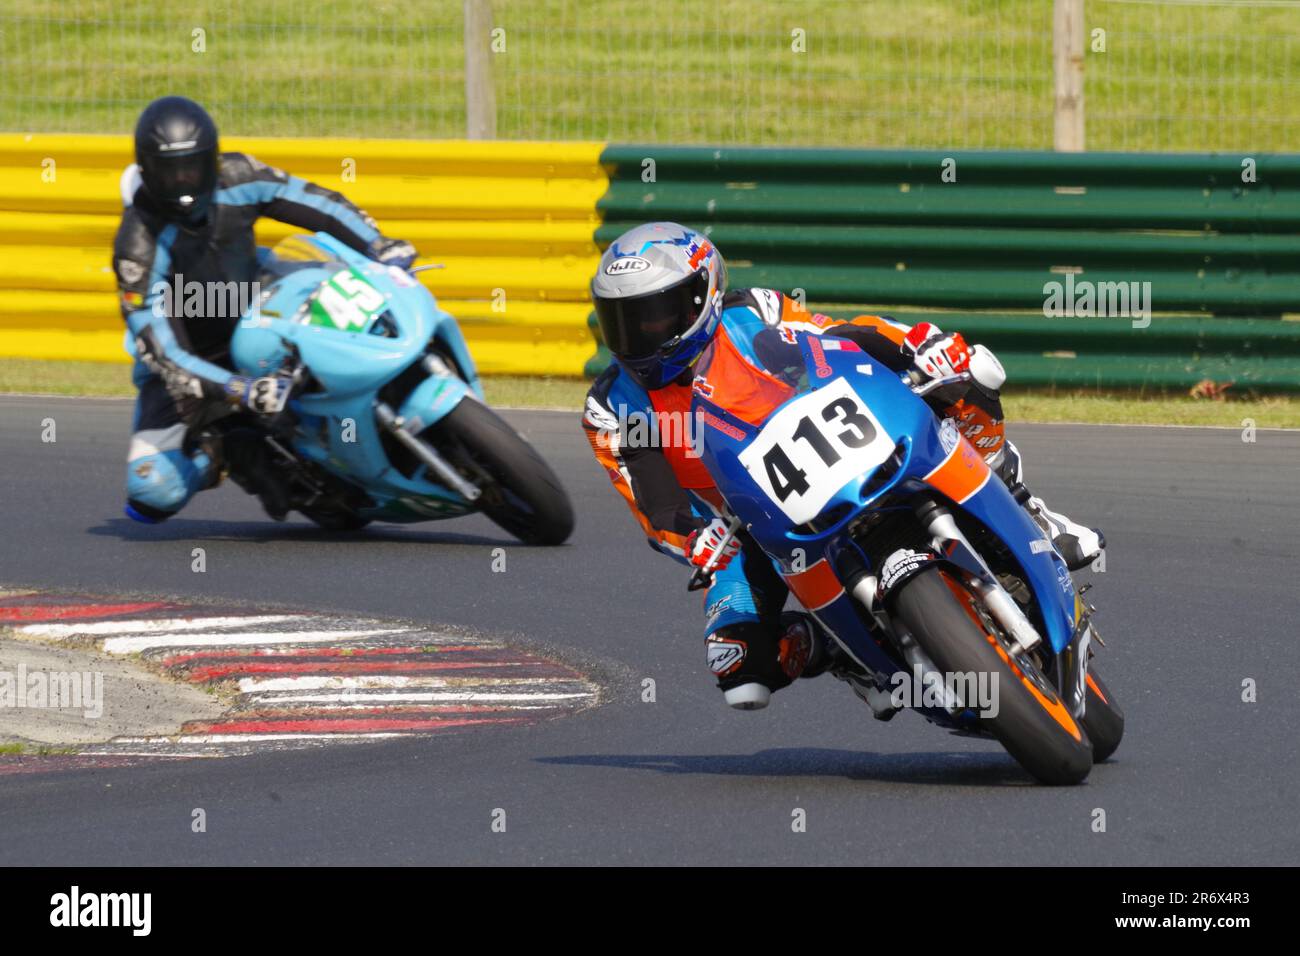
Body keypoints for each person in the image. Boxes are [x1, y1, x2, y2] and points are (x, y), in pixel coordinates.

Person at [582, 221, 1104, 710]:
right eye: (623, 321)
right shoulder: (612, 406)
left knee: (967, 376)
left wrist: (915, 346)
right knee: (738, 664)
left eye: (654, 314)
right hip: (750, 523)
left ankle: (1023, 504)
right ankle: (838, 651)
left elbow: (839, 335)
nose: (640, 335)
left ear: (702, 296)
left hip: (838, 432)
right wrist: (696, 537)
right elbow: (652, 501)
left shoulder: (753, 312)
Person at [113, 95, 418, 523]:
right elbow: (165, 354)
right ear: (147, 171)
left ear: (211, 159)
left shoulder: (239, 175)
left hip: (259, 303)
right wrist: (239, 390)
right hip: (188, 362)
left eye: (192, 167)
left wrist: (378, 245)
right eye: (169, 172)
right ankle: (222, 453)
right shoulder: (138, 245)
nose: (183, 182)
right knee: (151, 493)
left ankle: (387, 388)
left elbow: (317, 204)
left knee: (331, 281)